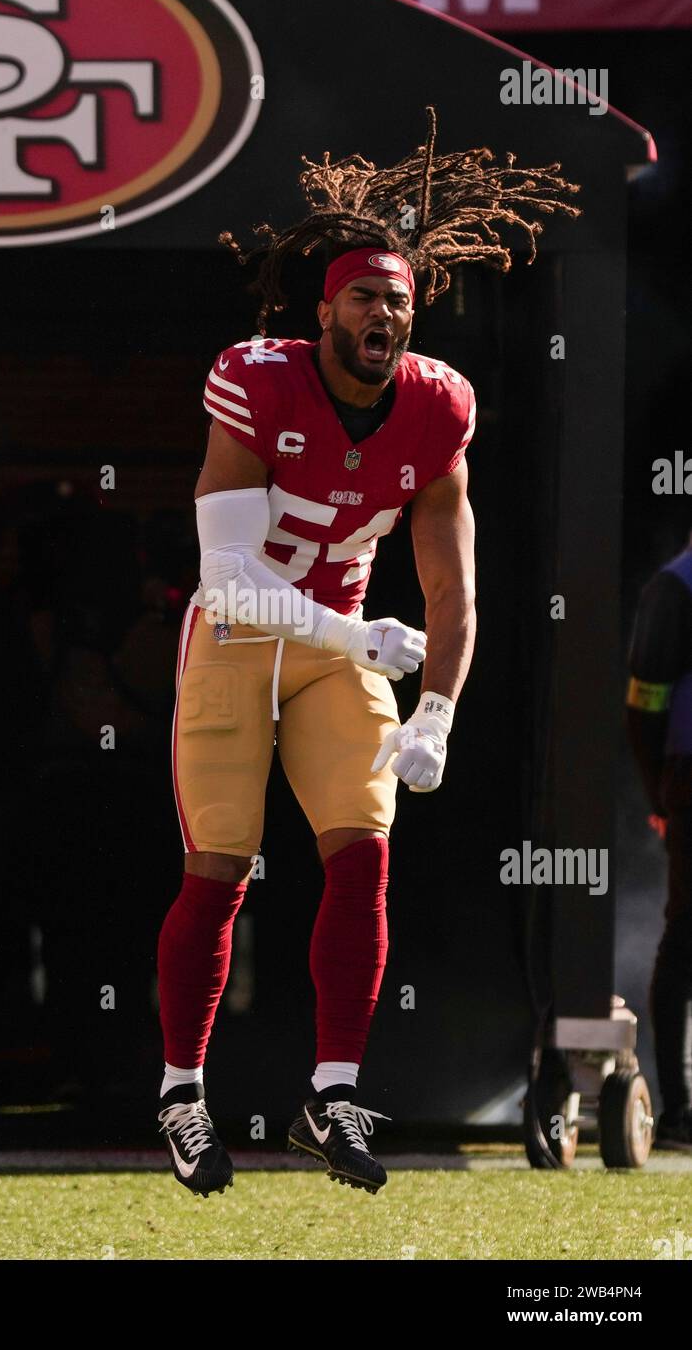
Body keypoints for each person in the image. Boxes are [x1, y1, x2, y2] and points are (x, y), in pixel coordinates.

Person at [157, 108, 581, 1196]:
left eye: (397, 296)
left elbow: (451, 584)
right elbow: (226, 573)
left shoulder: (437, 406)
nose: (382, 310)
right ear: (323, 308)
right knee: (219, 868)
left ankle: (330, 1092)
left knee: (363, 850)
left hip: (344, 649)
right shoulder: (258, 377)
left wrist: (436, 710)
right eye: (362, 294)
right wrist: (357, 632)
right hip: (245, 635)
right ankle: (182, 1094)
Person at [626, 529, 692, 1151]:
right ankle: (678, 1113)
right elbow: (643, 706)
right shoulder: (677, 586)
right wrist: (662, 797)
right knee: (687, 935)